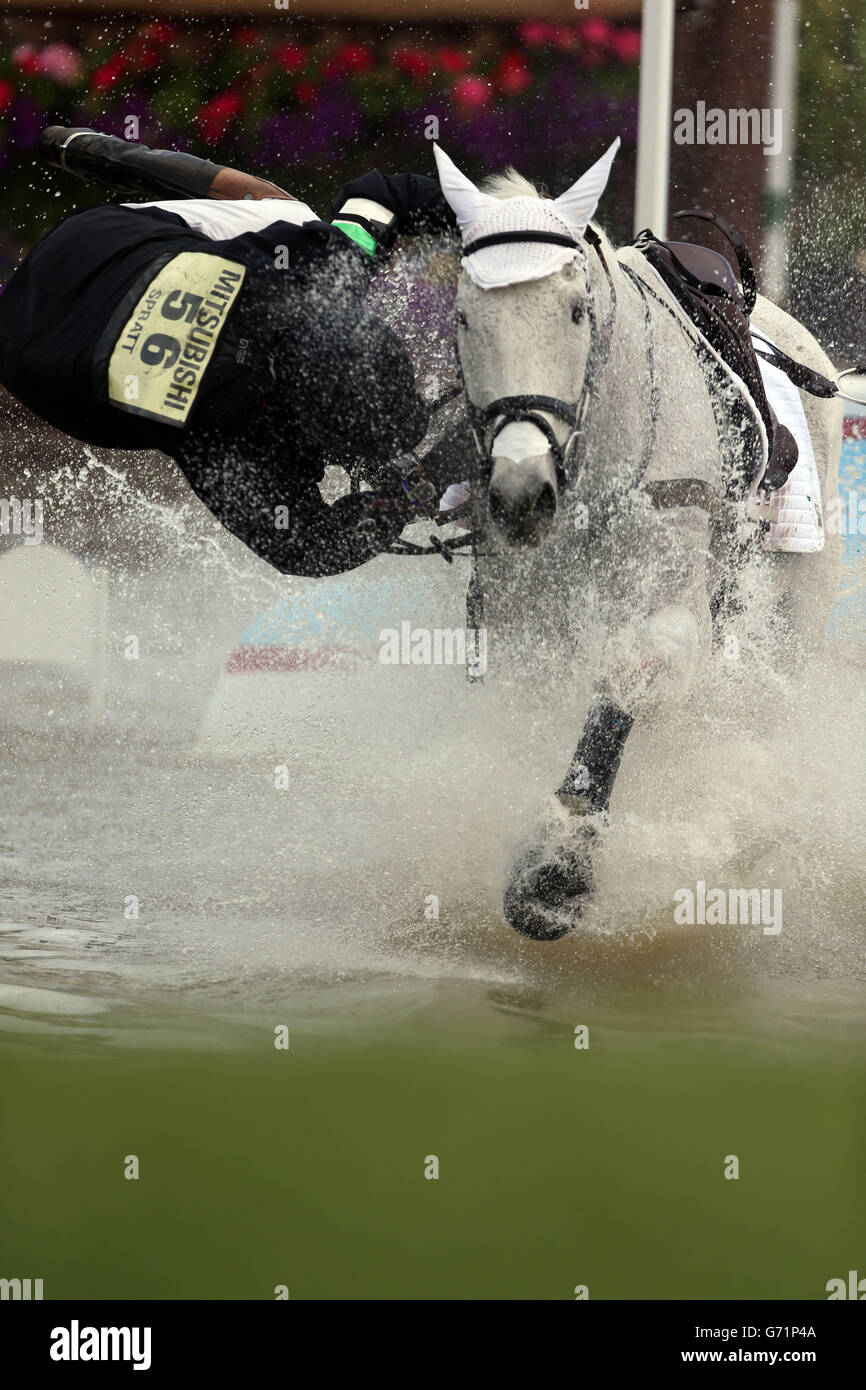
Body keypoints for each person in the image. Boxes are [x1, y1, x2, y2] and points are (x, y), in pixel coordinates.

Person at [0, 127, 472, 576]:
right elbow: (307, 549)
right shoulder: (221, 443)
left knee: (289, 213)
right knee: (291, 214)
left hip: (95, 241)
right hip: (25, 353)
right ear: (307, 428)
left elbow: (384, 192)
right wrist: (415, 491)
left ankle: (120, 159)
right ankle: (126, 160)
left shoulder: (325, 267)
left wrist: (488, 232)